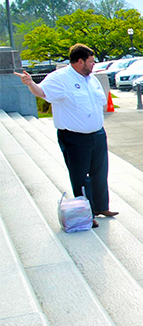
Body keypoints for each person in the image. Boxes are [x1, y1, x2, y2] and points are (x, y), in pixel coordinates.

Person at [17, 43, 118, 224]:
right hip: (75, 137)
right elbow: (42, 92)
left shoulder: (91, 78)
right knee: (80, 177)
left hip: (97, 134)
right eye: (91, 61)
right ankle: (87, 213)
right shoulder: (60, 78)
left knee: (100, 173)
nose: (94, 64)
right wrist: (30, 83)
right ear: (79, 61)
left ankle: (101, 206)